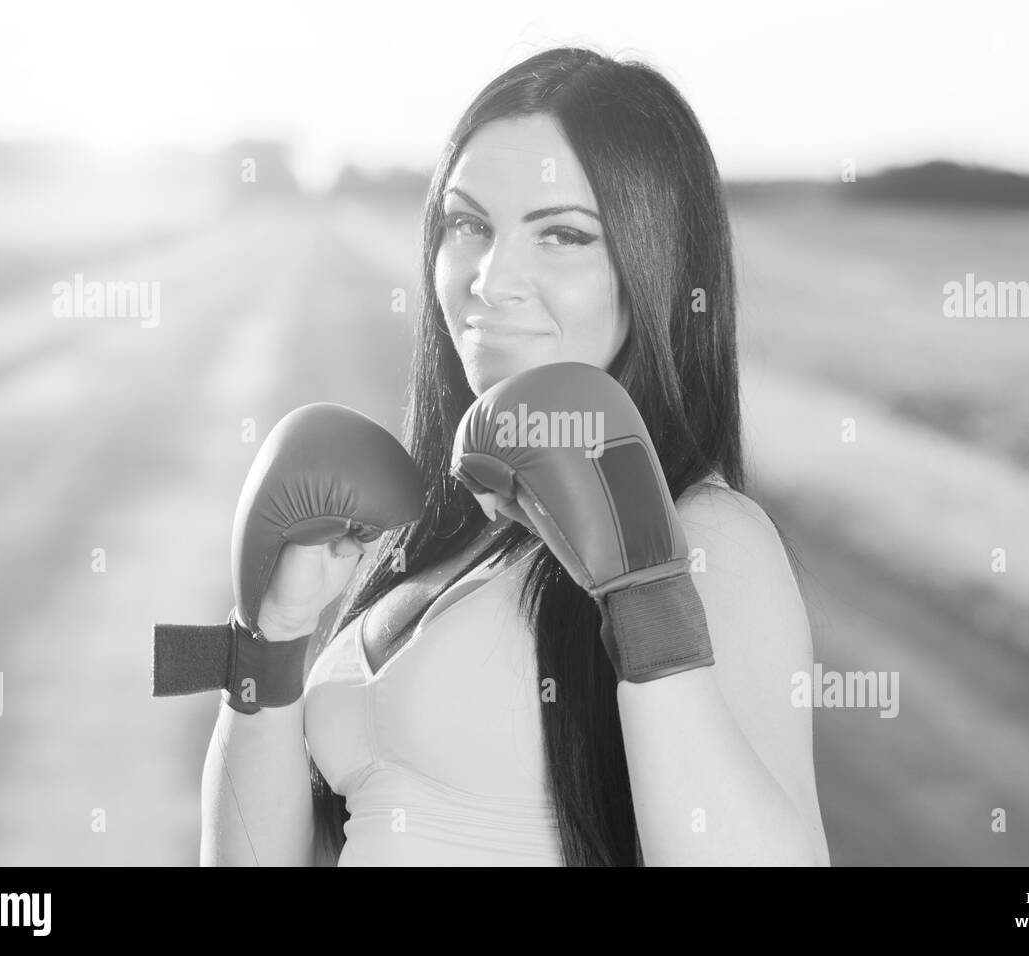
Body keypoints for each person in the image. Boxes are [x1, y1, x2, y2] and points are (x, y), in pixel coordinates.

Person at [201, 45, 830, 867]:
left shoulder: (709, 534)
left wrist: (647, 607)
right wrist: (270, 641)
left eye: (564, 234)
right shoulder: (432, 539)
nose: (491, 280)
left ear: (658, 269)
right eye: (468, 224)